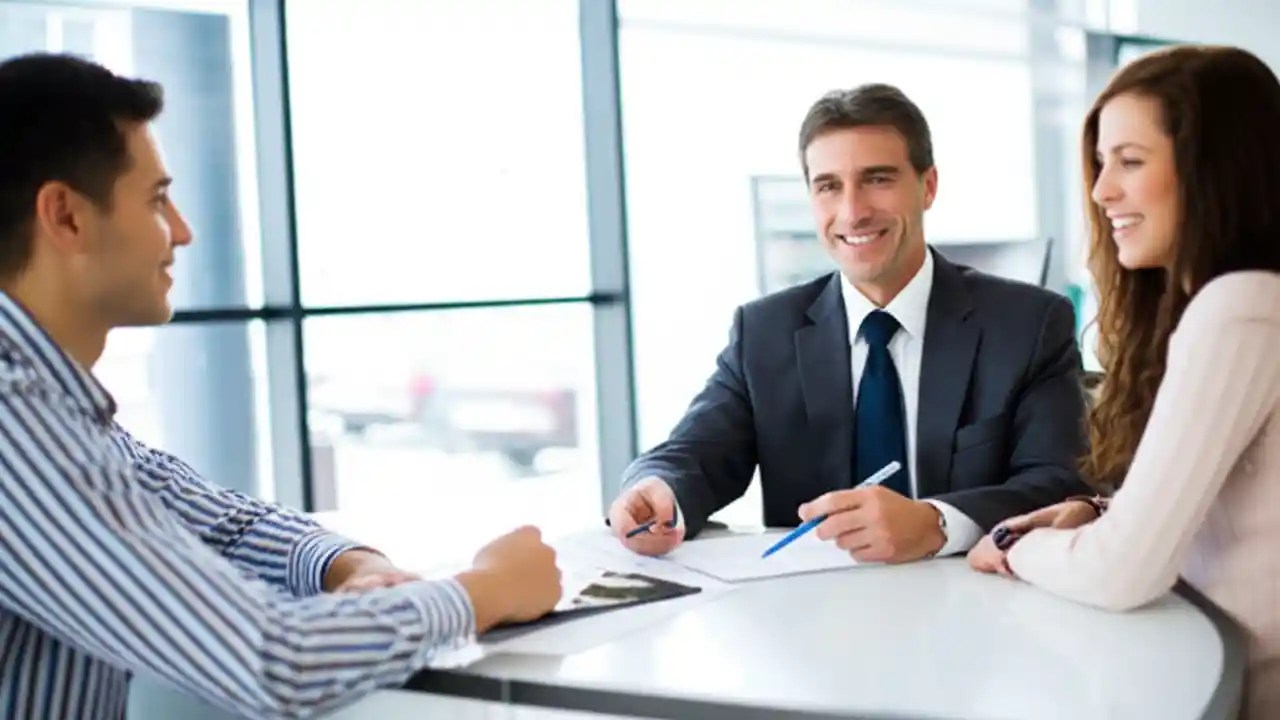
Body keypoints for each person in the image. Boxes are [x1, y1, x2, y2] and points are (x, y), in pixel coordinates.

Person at [0, 53, 562, 719]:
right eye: (156, 200)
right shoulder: (14, 423)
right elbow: (274, 662)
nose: (182, 231)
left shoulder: (51, 408)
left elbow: (217, 523)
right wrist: (485, 590)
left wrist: (351, 566)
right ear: (65, 217)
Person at [609, 83, 1092, 563]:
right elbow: (692, 453)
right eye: (828, 186)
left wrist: (936, 522)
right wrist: (656, 488)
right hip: (814, 617)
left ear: (928, 186)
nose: (853, 212)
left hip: (982, 605)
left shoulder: (1028, 325)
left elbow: (1057, 484)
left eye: (877, 179)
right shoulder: (765, 332)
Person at [966, 45, 1280, 718]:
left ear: (1214, 173)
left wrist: (1017, 545)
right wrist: (1101, 515)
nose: (1103, 189)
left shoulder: (1242, 308)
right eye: (1102, 162)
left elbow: (1124, 571)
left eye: (1131, 162)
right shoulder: (1232, 305)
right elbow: (1234, 508)